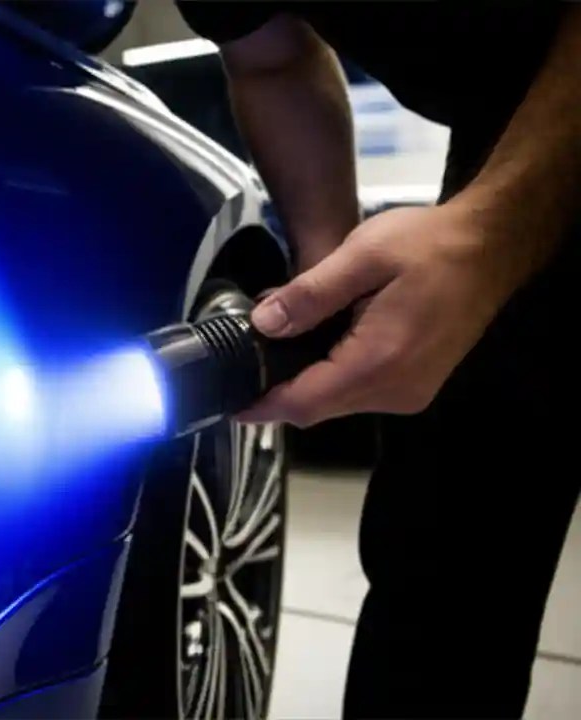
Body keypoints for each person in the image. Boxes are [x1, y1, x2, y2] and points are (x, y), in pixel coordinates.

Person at [170, 1, 581, 717]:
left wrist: (488, 237)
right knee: (446, 536)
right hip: (512, 125)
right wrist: (327, 272)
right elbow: (273, 61)